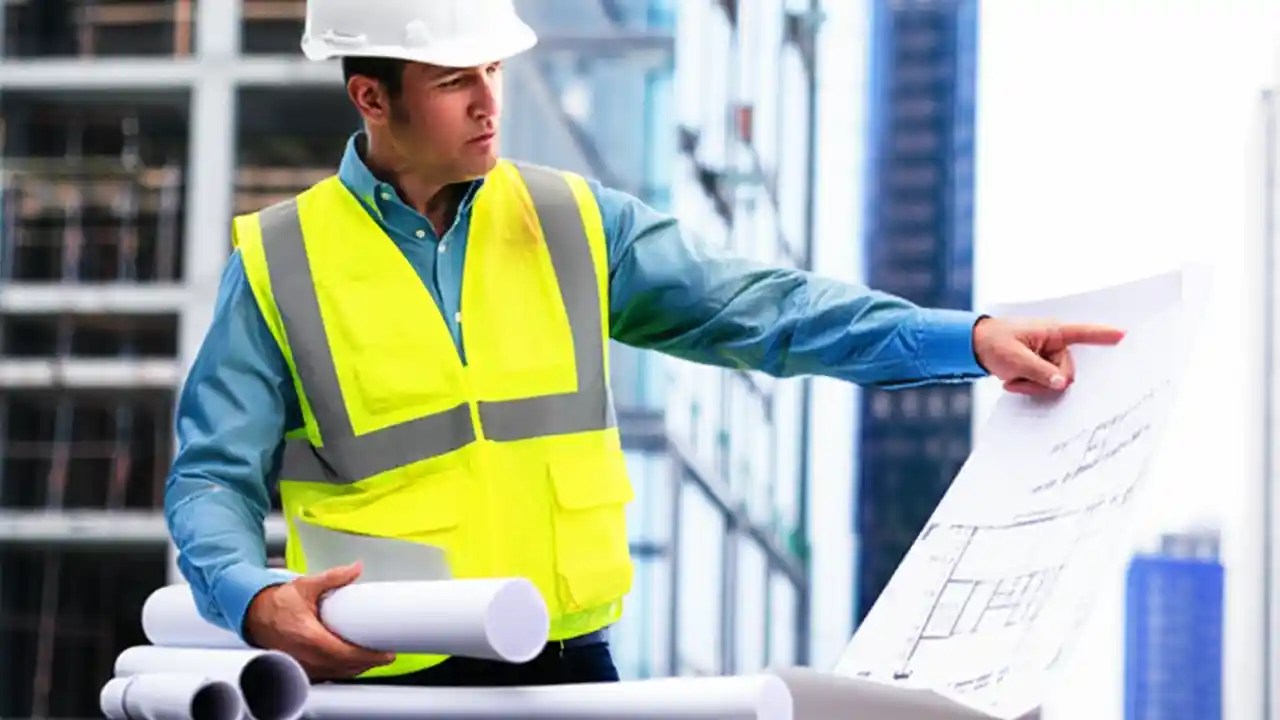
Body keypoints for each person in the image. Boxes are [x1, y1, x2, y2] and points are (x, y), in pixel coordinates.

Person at [163, 0, 1123, 689]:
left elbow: (769, 311)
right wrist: (251, 599)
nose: (489, 103)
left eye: (493, 71)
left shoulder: (572, 222)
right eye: (457, 82)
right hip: (382, 677)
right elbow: (211, 477)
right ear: (372, 97)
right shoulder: (281, 260)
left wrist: (969, 338)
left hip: (571, 671)